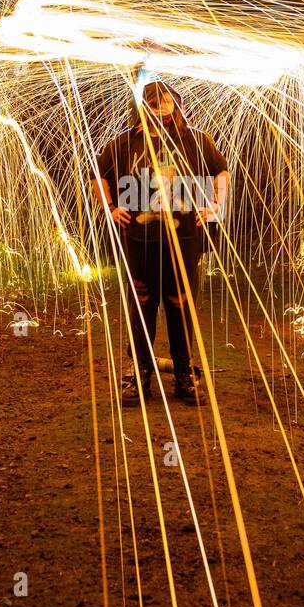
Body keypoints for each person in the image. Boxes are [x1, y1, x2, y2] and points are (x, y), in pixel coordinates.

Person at [94, 68, 229, 406]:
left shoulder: (197, 140)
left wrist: (216, 206)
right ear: (144, 106)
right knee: (142, 306)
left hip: (184, 241)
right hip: (139, 242)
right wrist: (110, 207)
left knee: (180, 306)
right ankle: (139, 376)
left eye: (169, 100)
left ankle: (184, 374)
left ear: (178, 105)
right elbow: (99, 174)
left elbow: (220, 170)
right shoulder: (124, 142)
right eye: (155, 101)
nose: (163, 107)